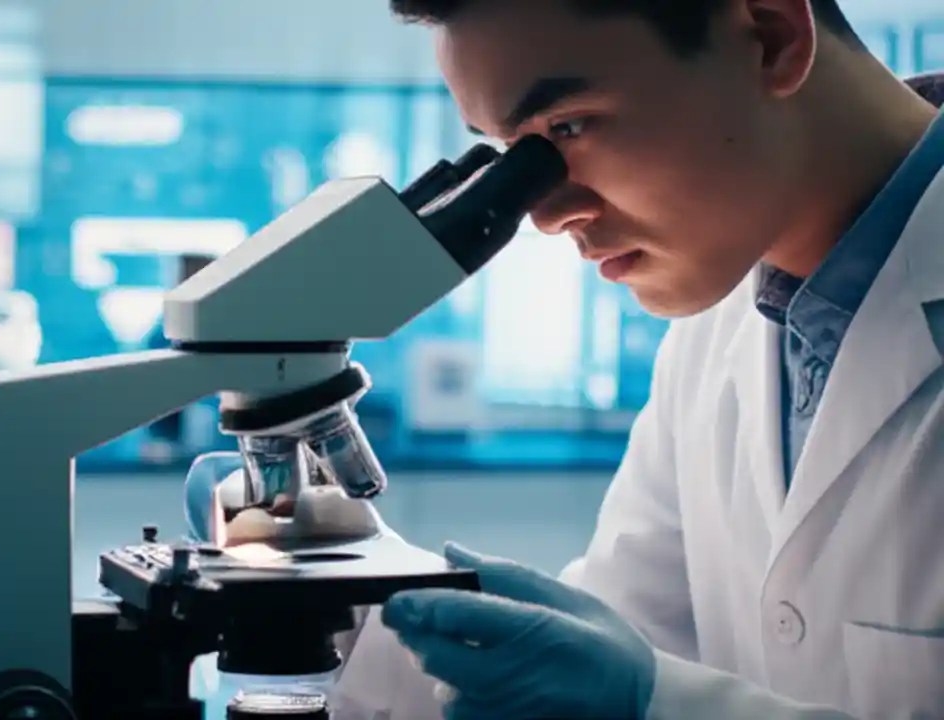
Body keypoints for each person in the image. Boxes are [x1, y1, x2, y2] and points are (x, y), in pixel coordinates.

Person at [325, 0, 944, 718]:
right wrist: (350, 601)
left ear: (771, 36)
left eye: (568, 126)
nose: (547, 214)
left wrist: (653, 705)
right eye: (511, 157)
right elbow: (617, 647)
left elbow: (645, 688)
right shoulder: (718, 333)